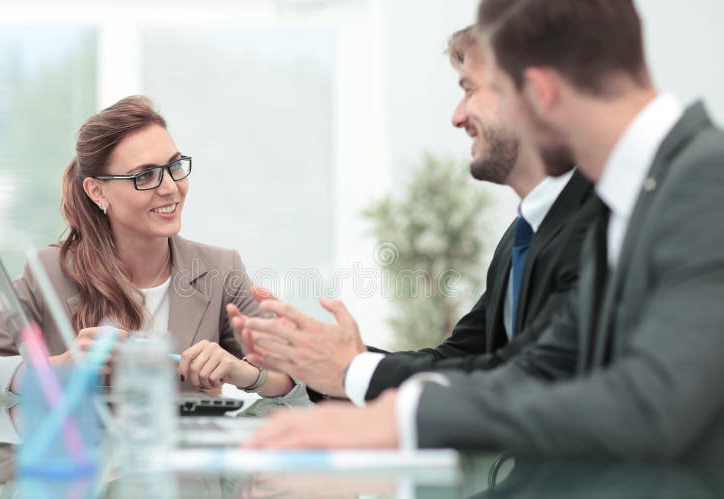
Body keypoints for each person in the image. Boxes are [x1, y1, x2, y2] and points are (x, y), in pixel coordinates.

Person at [243, 0, 724, 462]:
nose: (459, 116)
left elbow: (650, 404)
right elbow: (540, 369)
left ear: (542, 92)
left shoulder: (704, 181)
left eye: (494, 93)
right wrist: (367, 386)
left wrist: (404, 418)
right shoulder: (633, 199)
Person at [227, 25, 598, 404]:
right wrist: (322, 360)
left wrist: (351, 369)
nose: (457, 117)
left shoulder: (599, 228)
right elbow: (461, 359)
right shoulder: (522, 235)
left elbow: (521, 376)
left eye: (468, 90)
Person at [0, 96, 299, 400]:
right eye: (145, 175)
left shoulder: (220, 269)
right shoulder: (48, 274)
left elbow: (291, 377)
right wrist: (57, 368)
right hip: (90, 483)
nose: (170, 187)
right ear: (97, 191)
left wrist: (246, 374)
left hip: (190, 485)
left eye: (175, 167)